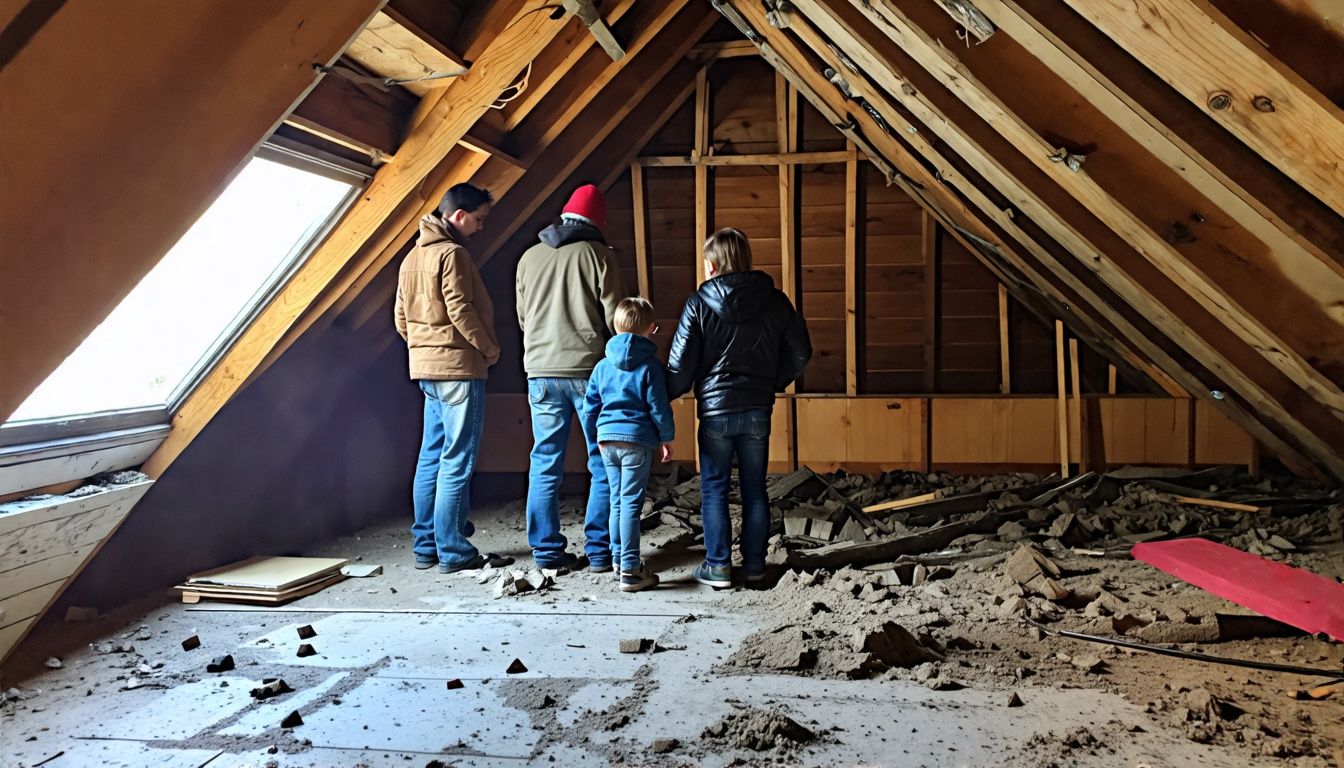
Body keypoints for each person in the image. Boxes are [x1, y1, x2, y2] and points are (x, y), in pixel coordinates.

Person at [667, 227, 812, 588]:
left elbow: (680, 365)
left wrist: (662, 395)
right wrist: (772, 383)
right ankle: (754, 567)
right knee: (755, 488)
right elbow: (801, 352)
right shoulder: (777, 301)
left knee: (714, 488)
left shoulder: (698, 303)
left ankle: (718, 568)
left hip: (715, 411)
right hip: (757, 410)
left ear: (713, 264)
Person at [395, 183, 514, 574]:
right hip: (459, 368)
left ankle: (426, 546)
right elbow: (461, 310)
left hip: (426, 369)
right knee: (457, 459)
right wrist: (488, 349)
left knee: (431, 456)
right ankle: (454, 551)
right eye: (478, 219)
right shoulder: (453, 254)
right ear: (458, 215)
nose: (480, 228)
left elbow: (400, 319)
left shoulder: (411, 258)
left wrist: (423, 348)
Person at [515, 184, 624, 572]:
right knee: (601, 459)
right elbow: (617, 323)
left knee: (545, 460)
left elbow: (524, 318)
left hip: (540, 372)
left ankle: (545, 552)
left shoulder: (529, 257)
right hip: (587, 372)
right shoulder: (599, 257)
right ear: (597, 221)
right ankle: (599, 552)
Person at [583, 298, 676, 592]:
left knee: (615, 500)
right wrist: (666, 437)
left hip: (607, 439)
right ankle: (631, 570)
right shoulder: (650, 366)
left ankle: (617, 559)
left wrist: (595, 434)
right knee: (631, 505)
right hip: (637, 441)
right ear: (652, 329)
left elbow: (590, 407)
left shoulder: (601, 366)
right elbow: (658, 407)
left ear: (615, 326)